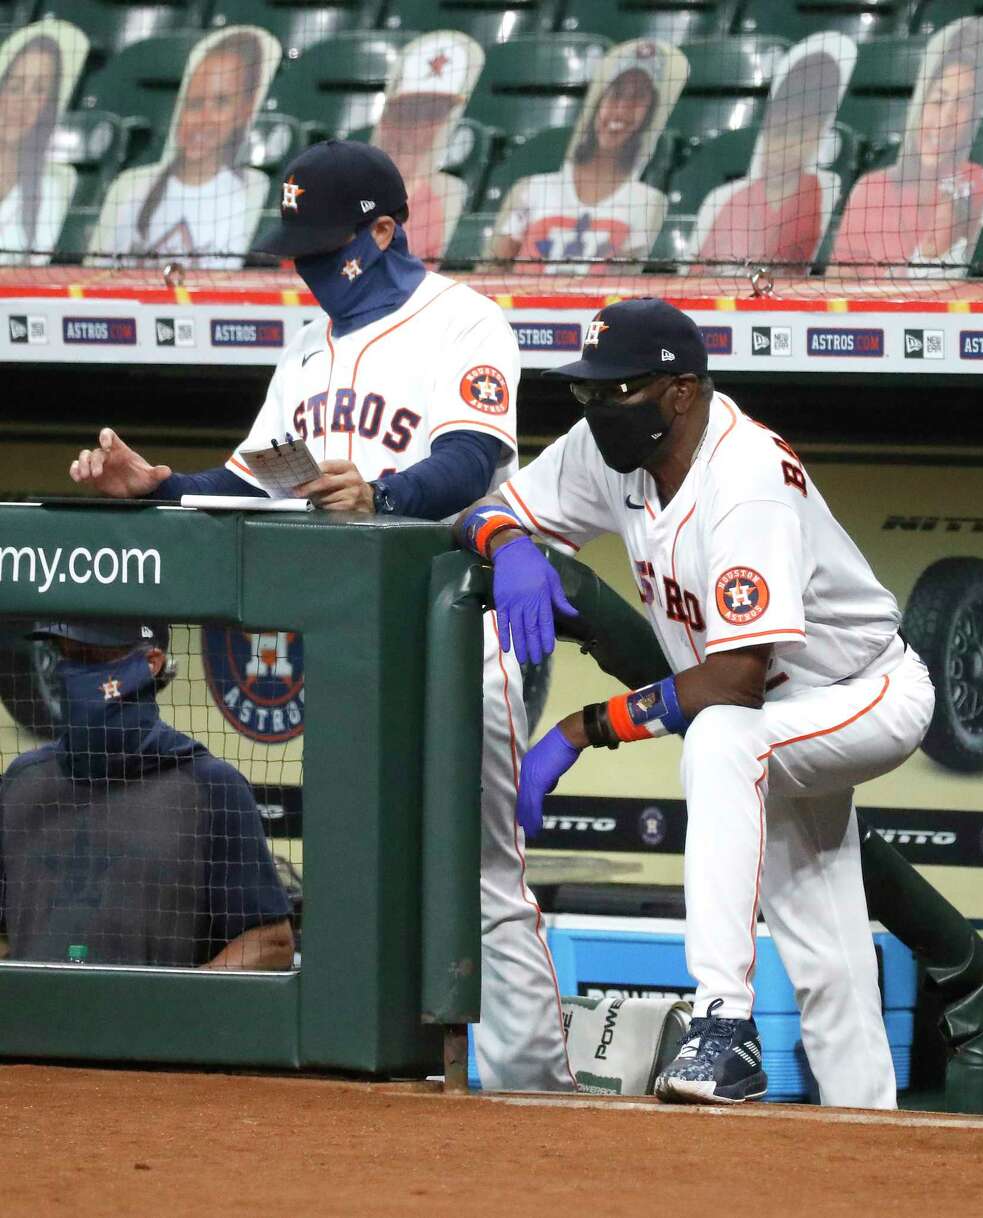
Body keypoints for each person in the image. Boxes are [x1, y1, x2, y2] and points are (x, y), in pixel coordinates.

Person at [67, 139, 575, 1093]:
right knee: (370, 864)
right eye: (296, 247)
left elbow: (470, 460)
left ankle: (534, 1091)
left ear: (385, 231)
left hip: (464, 625)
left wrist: (382, 493)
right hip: (357, 649)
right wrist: (163, 485)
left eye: (326, 247)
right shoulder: (306, 354)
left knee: (477, 872)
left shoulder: (464, 321)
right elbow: (252, 483)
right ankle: (412, 1079)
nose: (307, 267)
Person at [453, 298, 935, 1106]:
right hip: (774, 716)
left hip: (863, 694)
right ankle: (868, 1135)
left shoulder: (745, 478)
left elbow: (734, 680)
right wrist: (506, 546)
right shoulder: (608, 453)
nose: (599, 408)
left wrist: (578, 729)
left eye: (618, 390)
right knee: (828, 953)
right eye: (588, 392)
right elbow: (491, 507)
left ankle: (722, 1024)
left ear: (680, 392)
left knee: (719, 742)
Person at [0, 620, 294, 970]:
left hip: (155, 1023)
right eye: (68, 656)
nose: (76, 671)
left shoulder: (212, 787)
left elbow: (271, 940)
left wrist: (168, 1009)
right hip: (38, 1022)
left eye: (94, 657)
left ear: (151, 662)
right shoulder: (21, 782)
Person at [87, 27, 280, 269]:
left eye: (221, 102)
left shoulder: (248, 194)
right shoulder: (132, 189)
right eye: (195, 103)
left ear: (245, 112)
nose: (204, 118)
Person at [491, 40, 686, 273]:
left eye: (637, 97)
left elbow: (623, 289)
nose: (622, 109)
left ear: (650, 111)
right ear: (599, 103)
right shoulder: (533, 189)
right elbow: (493, 271)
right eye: (616, 94)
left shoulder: (646, 203)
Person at [830, 18, 983, 278]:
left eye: (962, 104)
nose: (945, 121)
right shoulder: (869, 190)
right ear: (919, 106)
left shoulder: (979, 183)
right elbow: (835, 288)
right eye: (938, 101)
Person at [690, 34, 853, 274]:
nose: (783, 145)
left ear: (819, 135)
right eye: (778, 131)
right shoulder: (725, 200)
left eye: (799, 132)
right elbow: (696, 280)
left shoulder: (821, 192)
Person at [371, 30, 483, 262]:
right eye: (410, 113)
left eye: (433, 115)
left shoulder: (445, 200)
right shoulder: (347, 187)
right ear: (386, 119)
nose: (420, 127)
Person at [0, 20, 88, 265]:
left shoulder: (53, 191)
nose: (23, 103)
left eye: (38, 90)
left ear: (48, 106)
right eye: (15, 87)